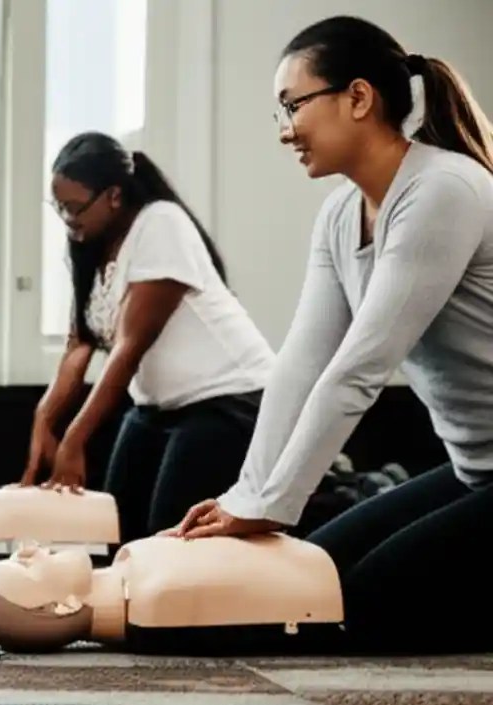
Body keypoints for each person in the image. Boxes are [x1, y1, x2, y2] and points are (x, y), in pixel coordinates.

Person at [172, 15, 493, 654]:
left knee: (367, 609)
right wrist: (250, 497)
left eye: (294, 105)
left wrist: (275, 504)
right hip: (472, 471)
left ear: (358, 97)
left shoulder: (444, 190)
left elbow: (359, 370)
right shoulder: (342, 214)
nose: (287, 130)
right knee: (317, 580)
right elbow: (301, 364)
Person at [20, 132, 275, 545]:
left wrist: (74, 439)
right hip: (158, 407)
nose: (68, 220)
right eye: (59, 209)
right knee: (124, 535)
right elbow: (78, 345)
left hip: (230, 400)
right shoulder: (90, 244)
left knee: (166, 539)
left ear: (114, 196)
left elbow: (128, 348)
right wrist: (43, 421)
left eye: (74, 207)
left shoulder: (160, 223)